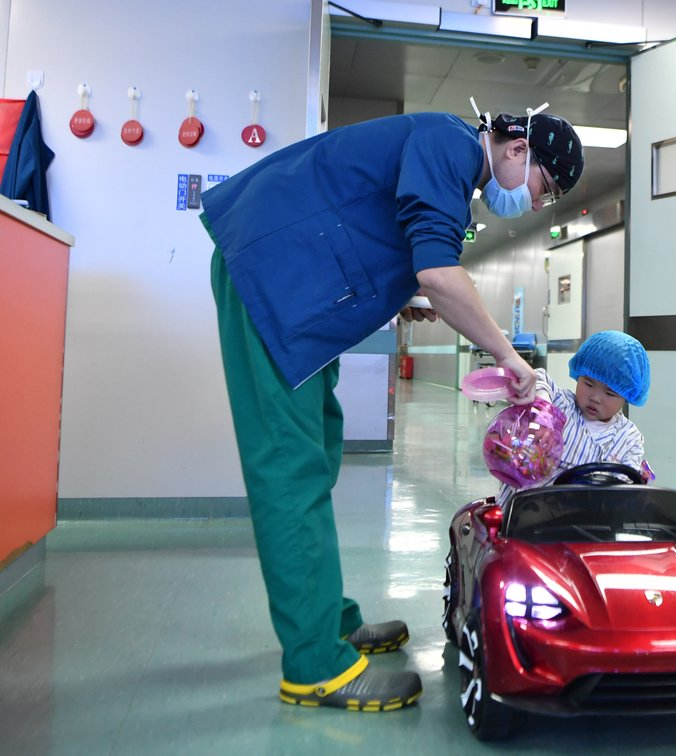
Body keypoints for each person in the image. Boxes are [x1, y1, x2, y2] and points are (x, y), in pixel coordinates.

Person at [200, 105, 584, 712]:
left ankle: (331, 621)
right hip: (272, 282)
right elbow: (435, 268)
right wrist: (510, 357)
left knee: (318, 451)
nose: (539, 204)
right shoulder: (450, 145)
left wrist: (403, 296)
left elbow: (390, 239)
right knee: (290, 468)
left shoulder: (451, 154)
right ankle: (314, 666)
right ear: (518, 151)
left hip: (299, 292)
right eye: (546, 187)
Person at [495, 331, 651, 507]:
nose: (595, 398)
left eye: (610, 393)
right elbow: (537, 377)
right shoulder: (562, 403)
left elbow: (629, 481)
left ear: (627, 397)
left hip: (587, 521)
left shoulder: (628, 437)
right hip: (526, 512)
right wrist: (543, 407)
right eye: (588, 384)